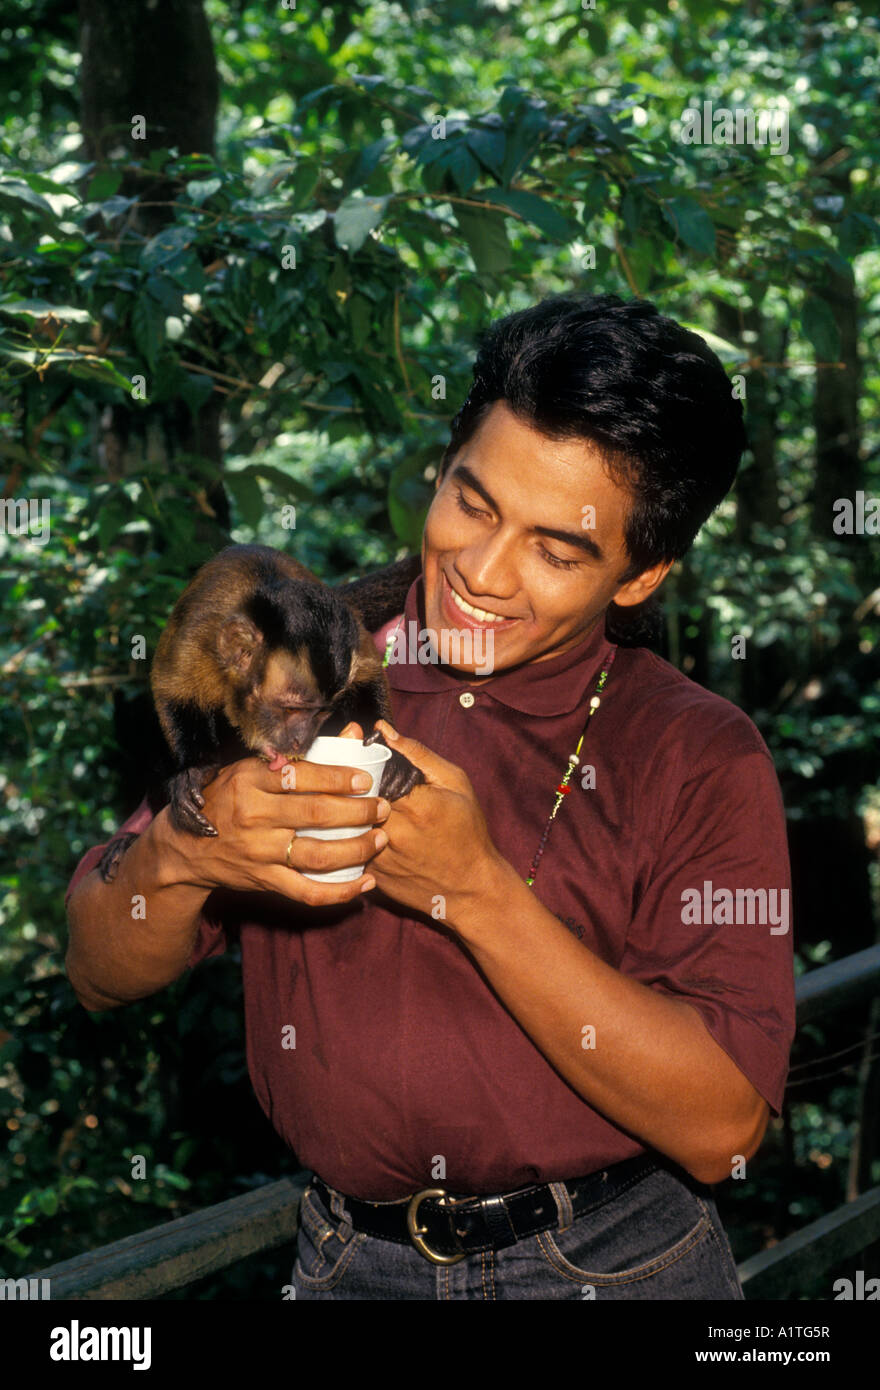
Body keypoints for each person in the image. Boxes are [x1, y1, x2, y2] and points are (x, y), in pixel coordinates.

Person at [65, 292, 795, 1300]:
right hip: (345, 1261)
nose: (482, 573)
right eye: (474, 502)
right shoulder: (306, 664)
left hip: (615, 1262)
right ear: (442, 468)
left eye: (554, 548)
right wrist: (182, 852)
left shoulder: (696, 753)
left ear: (640, 576)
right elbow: (100, 965)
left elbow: (721, 1128)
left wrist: (475, 889)